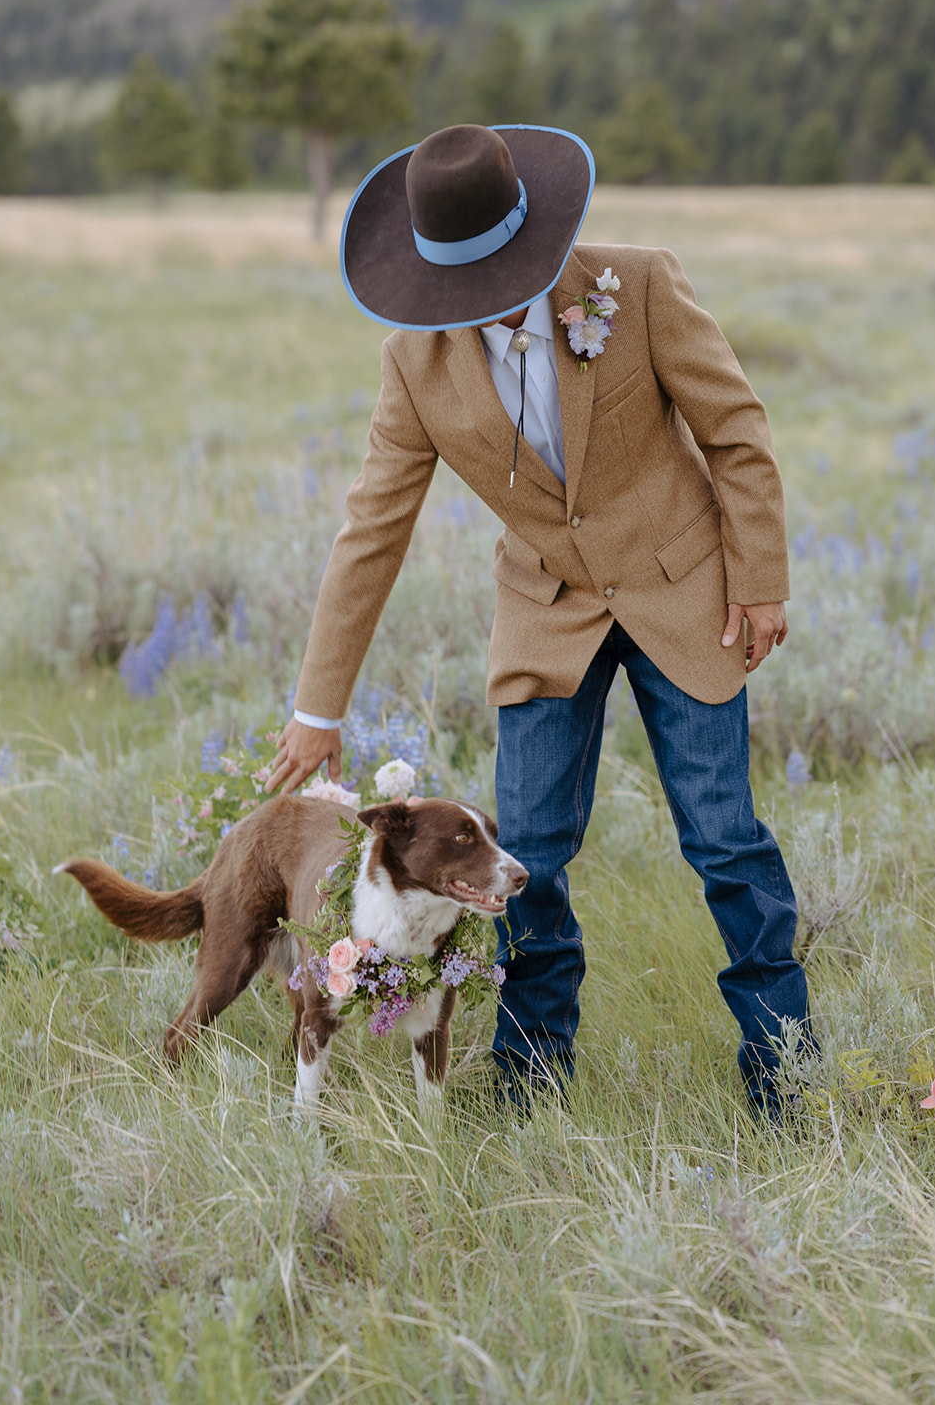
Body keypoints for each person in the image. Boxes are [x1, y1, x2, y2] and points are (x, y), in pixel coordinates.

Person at [264, 122, 813, 1116]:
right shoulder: (414, 365)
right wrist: (317, 707)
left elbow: (736, 432)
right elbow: (369, 533)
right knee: (525, 860)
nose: (482, 305)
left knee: (725, 840)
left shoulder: (637, 286)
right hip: (546, 613)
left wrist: (760, 577)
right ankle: (531, 1081)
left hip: (686, 589)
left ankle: (785, 1068)